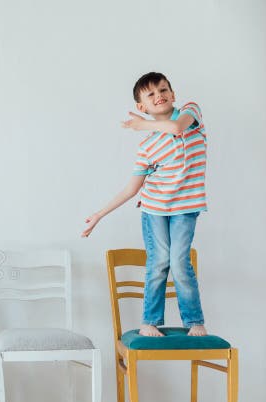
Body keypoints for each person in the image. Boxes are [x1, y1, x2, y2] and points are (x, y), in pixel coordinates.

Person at [82, 72, 208, 337]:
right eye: (150, 94)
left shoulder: (190, 113)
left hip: (185, 207)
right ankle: (149, 322)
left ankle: (194, 321)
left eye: (163, 90)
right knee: (159, 260)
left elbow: (175, 128)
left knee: (179, 260)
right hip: (155, 209)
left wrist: (143, 125)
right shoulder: (148, 146)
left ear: (173, 95)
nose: (158, 96)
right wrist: (99, 215)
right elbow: (132, 188)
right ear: (142, 107)